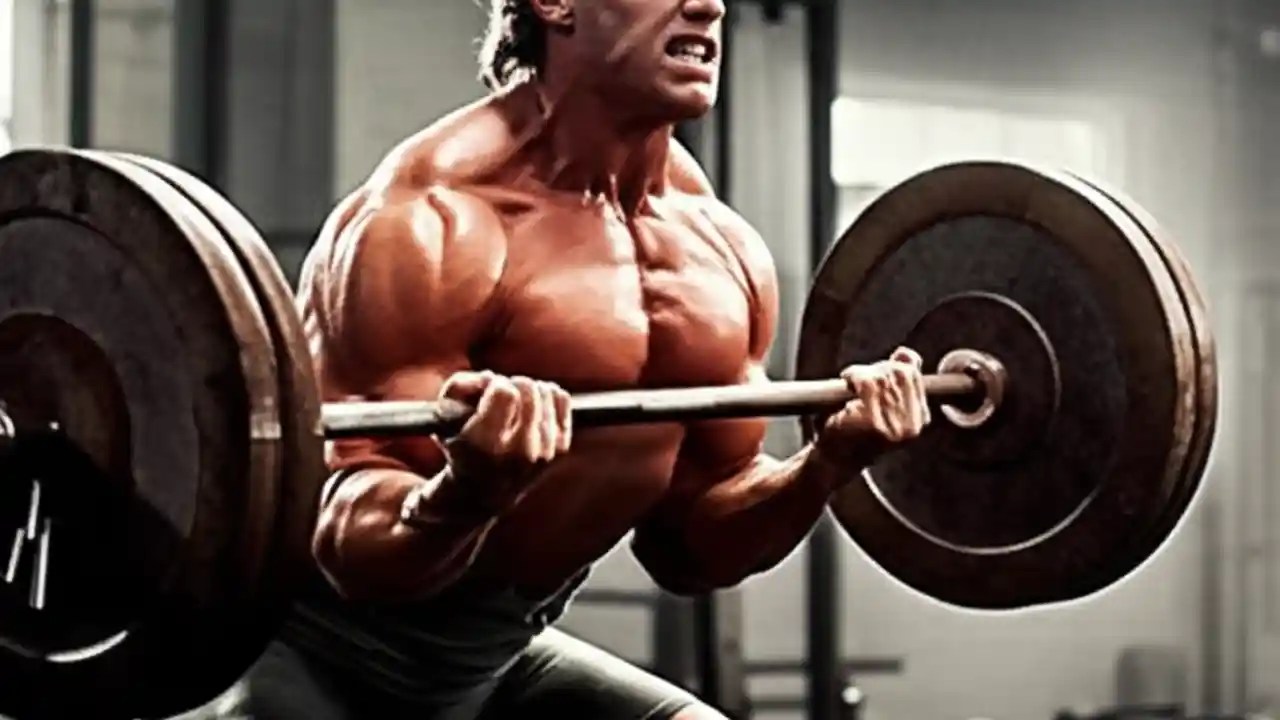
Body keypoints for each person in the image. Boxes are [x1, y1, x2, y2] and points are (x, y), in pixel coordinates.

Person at [185, 1, 931, 718]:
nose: (706, 7)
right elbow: (348, 546)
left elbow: (693, 550)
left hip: (492, 659)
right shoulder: (429, 224)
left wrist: (827, 463)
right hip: (317, 658)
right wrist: (465, 494)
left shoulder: (721, 251)